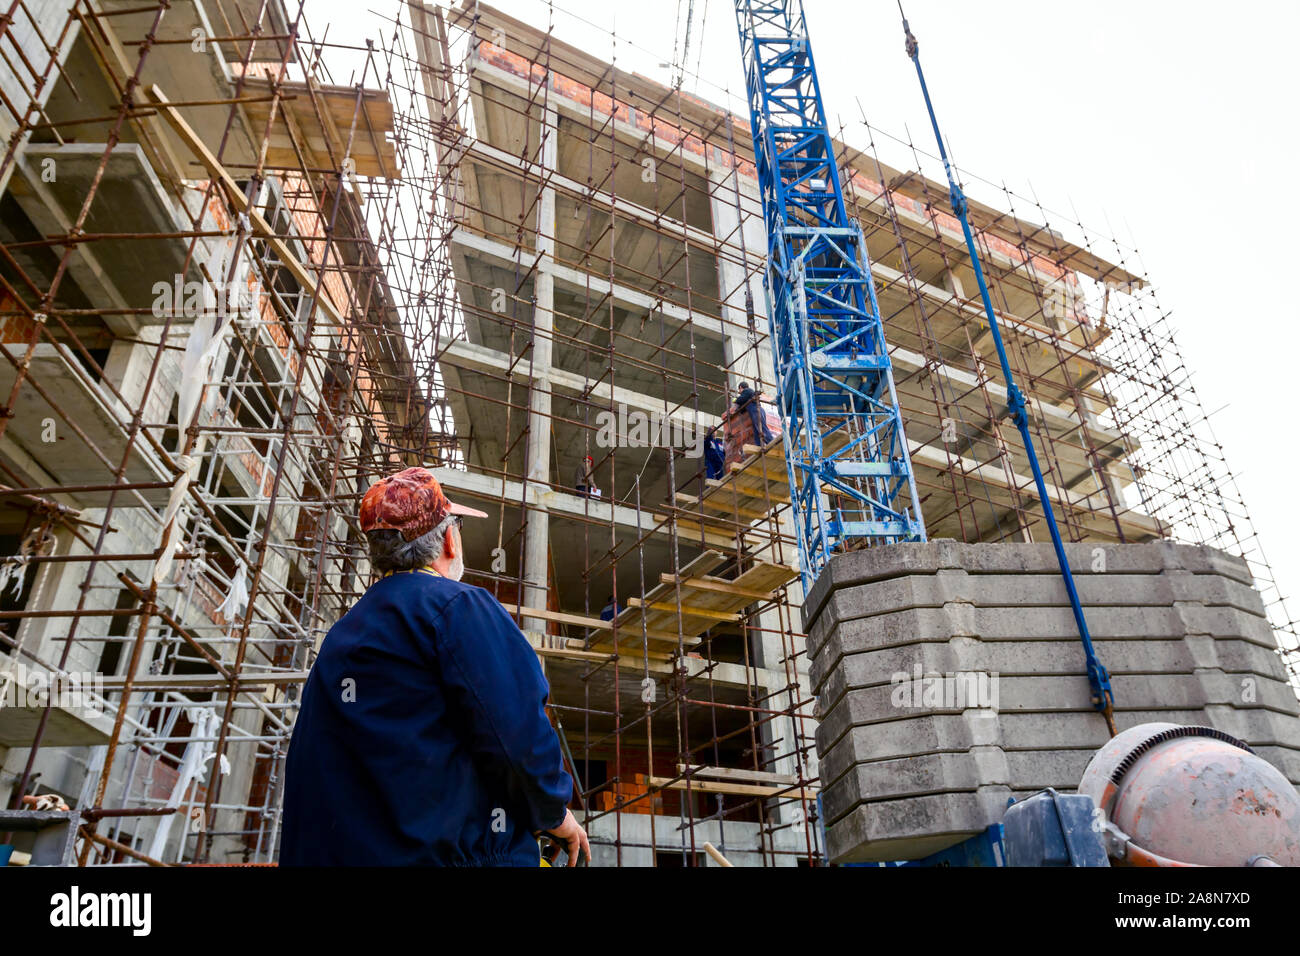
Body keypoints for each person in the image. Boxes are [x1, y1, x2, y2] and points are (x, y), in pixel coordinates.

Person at [280, 466, 590, 867]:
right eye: (456, 525)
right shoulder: (456, 608)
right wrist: (552, 811)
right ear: (448, 538)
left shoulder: (344, 633)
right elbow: (515, 734)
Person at [734, 381, 774, 446]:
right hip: (756, 410)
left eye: (739, 390)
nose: (740, 392)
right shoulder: (748, 396)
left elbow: (740, 400)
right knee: (756, 429)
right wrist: (738, 409)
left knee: (761, 428)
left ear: (741, 387)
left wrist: (736, 400)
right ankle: (759, 445)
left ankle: (772, 443)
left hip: (756, 409)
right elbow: (743, 407)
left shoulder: (747, 390)